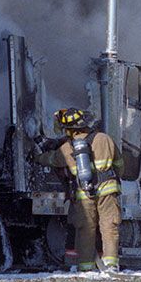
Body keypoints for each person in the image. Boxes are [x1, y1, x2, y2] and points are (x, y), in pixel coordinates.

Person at [35, 108, 123, 272]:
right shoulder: (104, 139)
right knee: (109, 227)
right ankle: (111, 264)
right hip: (108, 190)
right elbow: (119, 165)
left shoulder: (68, 148)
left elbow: (52, 160)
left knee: (86, 230)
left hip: (84, 193)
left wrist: (37, 157)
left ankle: (86, 267)